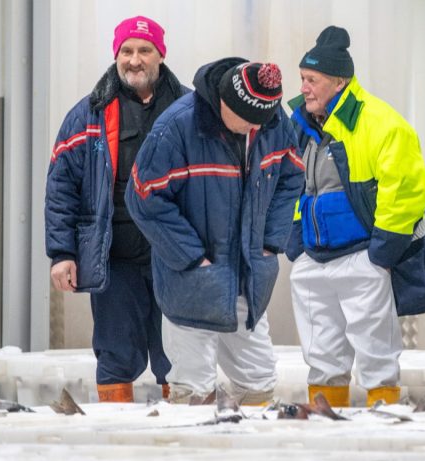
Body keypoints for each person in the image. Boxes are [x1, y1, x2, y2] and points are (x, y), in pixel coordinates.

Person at [286, 26, 425, 408]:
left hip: (362, 257)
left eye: (312, 80)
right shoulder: (303, 126)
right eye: (302, 79)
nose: (305, 88)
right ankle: (328, 429)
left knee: (376, 351)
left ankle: (385, 423)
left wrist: (381, 252)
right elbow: (299, 187)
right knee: (321, 352)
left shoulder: (383, 123)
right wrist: (296, 239)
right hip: (315, 259)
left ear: (338, 81)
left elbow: (407, 190)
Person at [125, 58, 304, 405]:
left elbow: (292, 175)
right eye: (247, 120)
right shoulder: (177, 127)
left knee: (259, 380)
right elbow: (144, 197)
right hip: (191, 282)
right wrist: (193, 257)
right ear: (225, 101)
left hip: (248, 278)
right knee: (193, 386)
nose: (255, 128)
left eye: (261, 121)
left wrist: (270, 241)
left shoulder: (272, 121)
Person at [45, 16, 190, 403]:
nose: (134, 59)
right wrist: (62, 253)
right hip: (115, 259)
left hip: (174, 257)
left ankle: (183, 442)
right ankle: (116, 444)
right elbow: (61, 187)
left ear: (161, 55)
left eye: (144, 50)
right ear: (116, 55)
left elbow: (214, 184)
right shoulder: (88, 115)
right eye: (127, 51)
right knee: (114, 354)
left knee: (180, 358)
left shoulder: (191, 110)